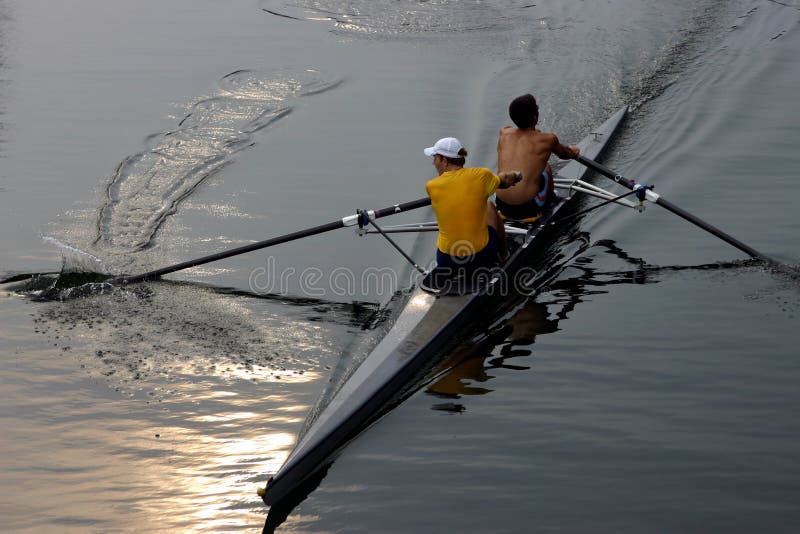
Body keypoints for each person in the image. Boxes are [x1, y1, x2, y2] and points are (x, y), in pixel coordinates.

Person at [424, 137, 521, 272]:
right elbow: (504, 181)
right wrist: (516, 176)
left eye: (435, 158)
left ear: (444, 161)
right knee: (489, 206)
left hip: (446, 260)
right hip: (479, 256)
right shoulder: (481, 175)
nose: (433, 162)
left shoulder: (431, 186)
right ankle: (505, 254)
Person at [495, 94, 580, 221]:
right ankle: (550, 200)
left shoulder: (504, 133)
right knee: (546, 167)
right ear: (535, 117)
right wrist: (574, 151)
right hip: (529, 207)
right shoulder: (548, 139)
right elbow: (565, 154)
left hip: (501, 204)